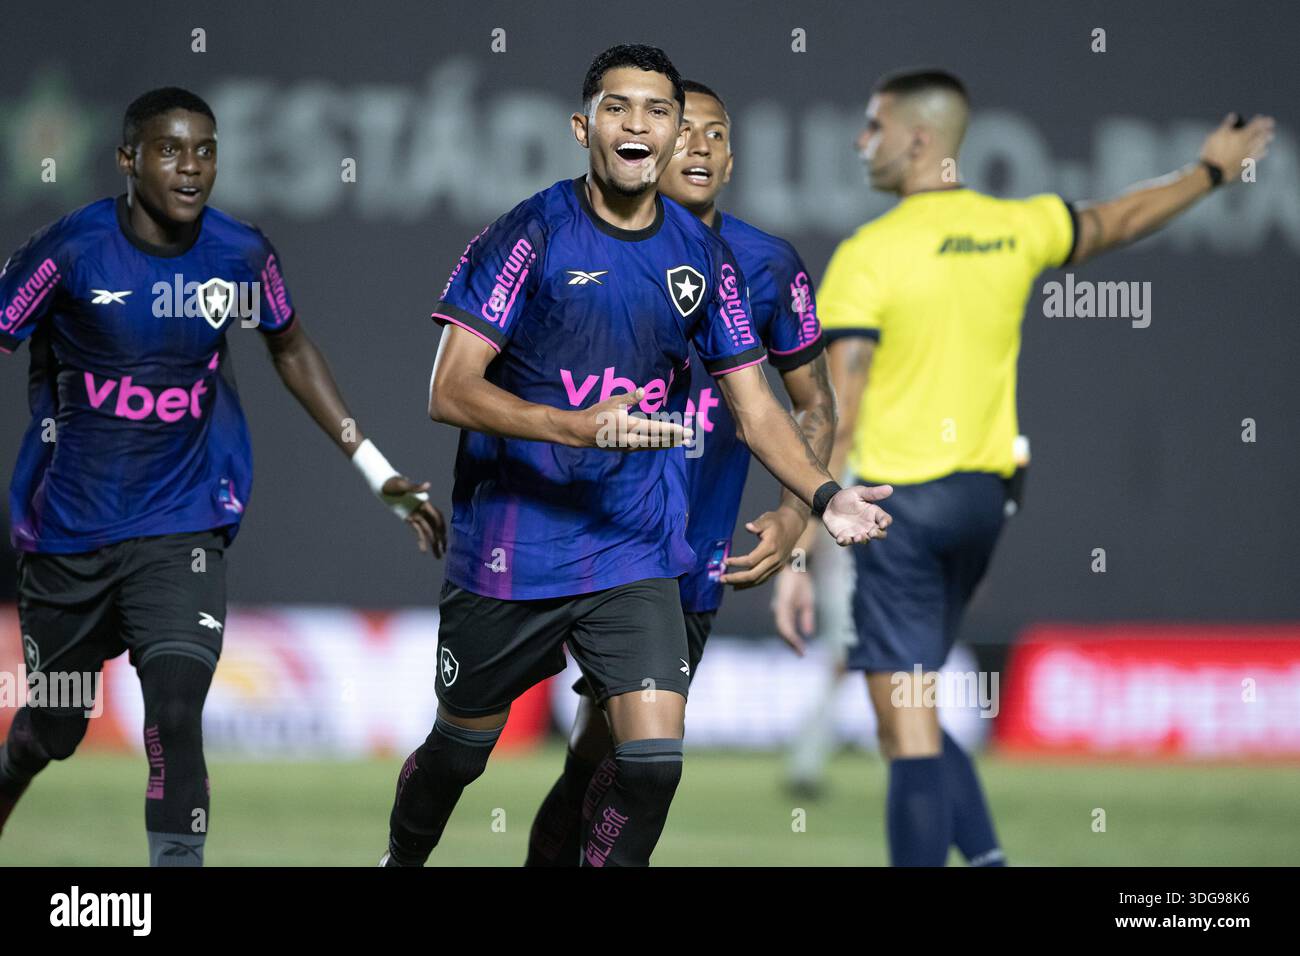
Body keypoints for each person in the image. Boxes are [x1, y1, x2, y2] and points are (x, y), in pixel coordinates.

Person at [383, 45, 891, 868]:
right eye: (621, 109)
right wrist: (577, 426)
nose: (643, 126)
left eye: (660, 113)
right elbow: (449, 391)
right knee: (459, 753)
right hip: (517, 548)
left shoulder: (707, 257)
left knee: (648, 763)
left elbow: (759, 404)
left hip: (635, 547)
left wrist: (825, 498)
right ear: (585, 127)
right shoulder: (529, 233)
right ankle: (400, 860)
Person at [771, 68, 1274, 866]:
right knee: (920, 705)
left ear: (918, 138)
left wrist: (801, 539)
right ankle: (989, 860)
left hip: (898, 508)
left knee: (903, 730)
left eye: (873, 126)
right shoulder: (1018, 228)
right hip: (981, 506)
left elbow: (844, 408)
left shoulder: (871, 254)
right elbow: (1121, 218)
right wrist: (1210, 172)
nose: (861, 141)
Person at [0, 87, 445, 866]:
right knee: (58, 729)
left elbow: (291, 348)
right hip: (68, 533)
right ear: (127, 159)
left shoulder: (240, 256)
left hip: (182, 530)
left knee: (175, 710)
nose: (191, 167)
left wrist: (378, 472)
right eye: (170, 149)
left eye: (205, 150)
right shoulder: (70, 252)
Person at [525, 79, 836, 866]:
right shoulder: (569, 247)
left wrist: (796, 515)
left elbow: (813, 406)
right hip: (577, 539)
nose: (698, 146)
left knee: (613, 757)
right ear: (647, 147)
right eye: (683, 129)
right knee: (628, 758)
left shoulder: (768, 266)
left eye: (717, 135)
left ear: (731, 160)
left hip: (687, 559)